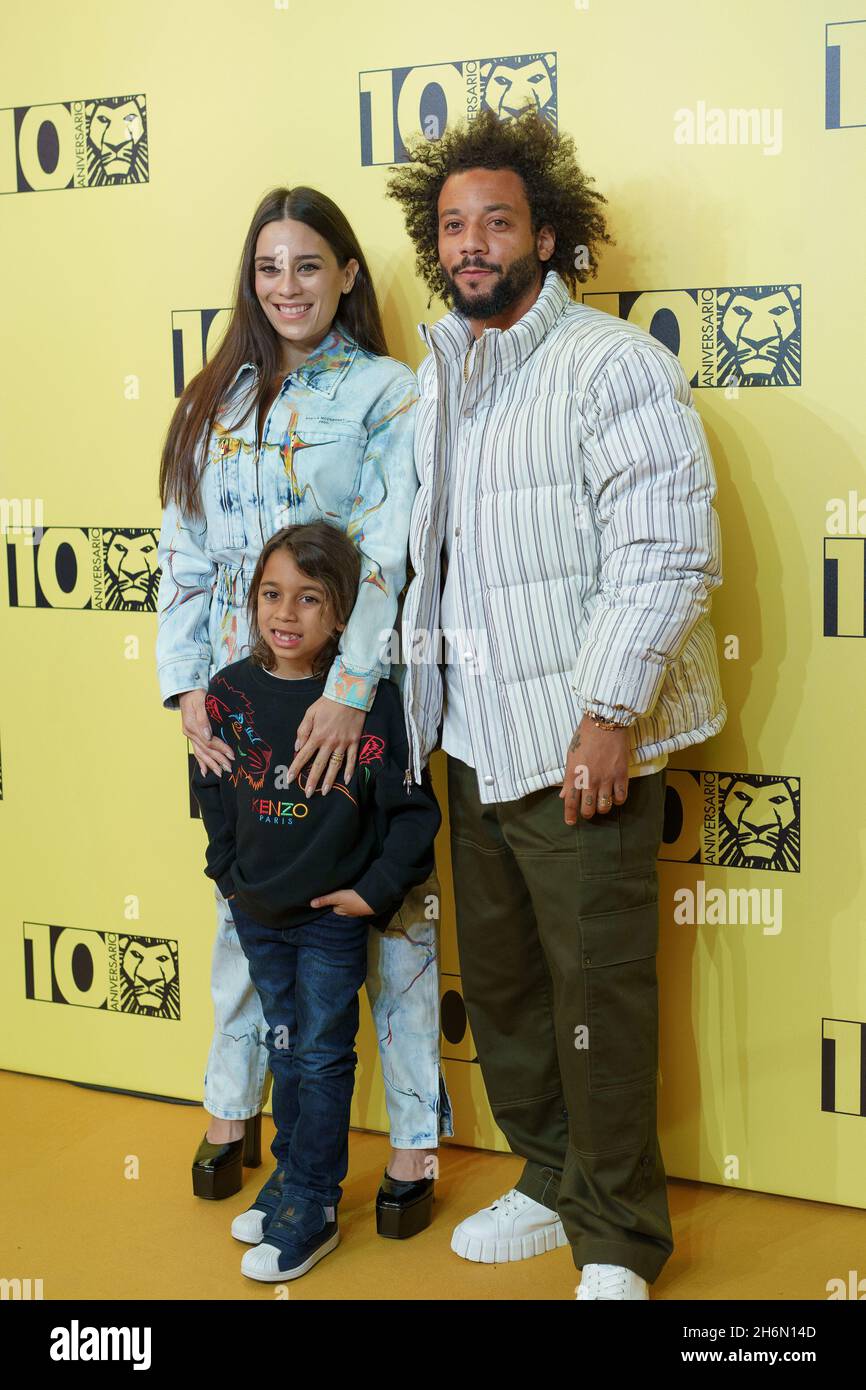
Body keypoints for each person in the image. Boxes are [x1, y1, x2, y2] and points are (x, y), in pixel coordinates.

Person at [387, 109, 726, 1300]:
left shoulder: (609, 363)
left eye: (496, 221)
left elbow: (666, 550)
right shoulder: (442, 376)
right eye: (452, 227)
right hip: (472, 745)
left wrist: (605, 713)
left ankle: (619, 1237)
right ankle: (547, 1173)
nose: (472, 243)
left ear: (547, 235)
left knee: (598, 1000)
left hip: (575, 744)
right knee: (517, 990)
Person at [155, 186, 452, 1232]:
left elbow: (387, 554)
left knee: (394, 916)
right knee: (252, 905)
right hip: (239, 699)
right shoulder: (213, 400)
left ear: (347, 275)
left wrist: (346, 690)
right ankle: (232, 1111)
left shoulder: (386, 391)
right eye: (269, 268)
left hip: (353, 698)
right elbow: (182, 560)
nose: (287, 288)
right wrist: (187, 686)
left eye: (309, 267)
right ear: (252, 278)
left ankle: (412, 1145)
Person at [191, 522, 442, 1281]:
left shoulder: (375, 706)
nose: (286, 613)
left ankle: (316, 1202)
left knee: (325, 1057)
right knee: (288, 1052)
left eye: (309, 598)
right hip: (257, 914)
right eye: (272, 594)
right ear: (252, 600)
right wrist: (228, 875)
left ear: (342, 617)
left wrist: (372, 893)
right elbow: (209, 787)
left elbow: (413, 814)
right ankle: (293, 1175)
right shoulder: (229, 691)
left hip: (330, 922)